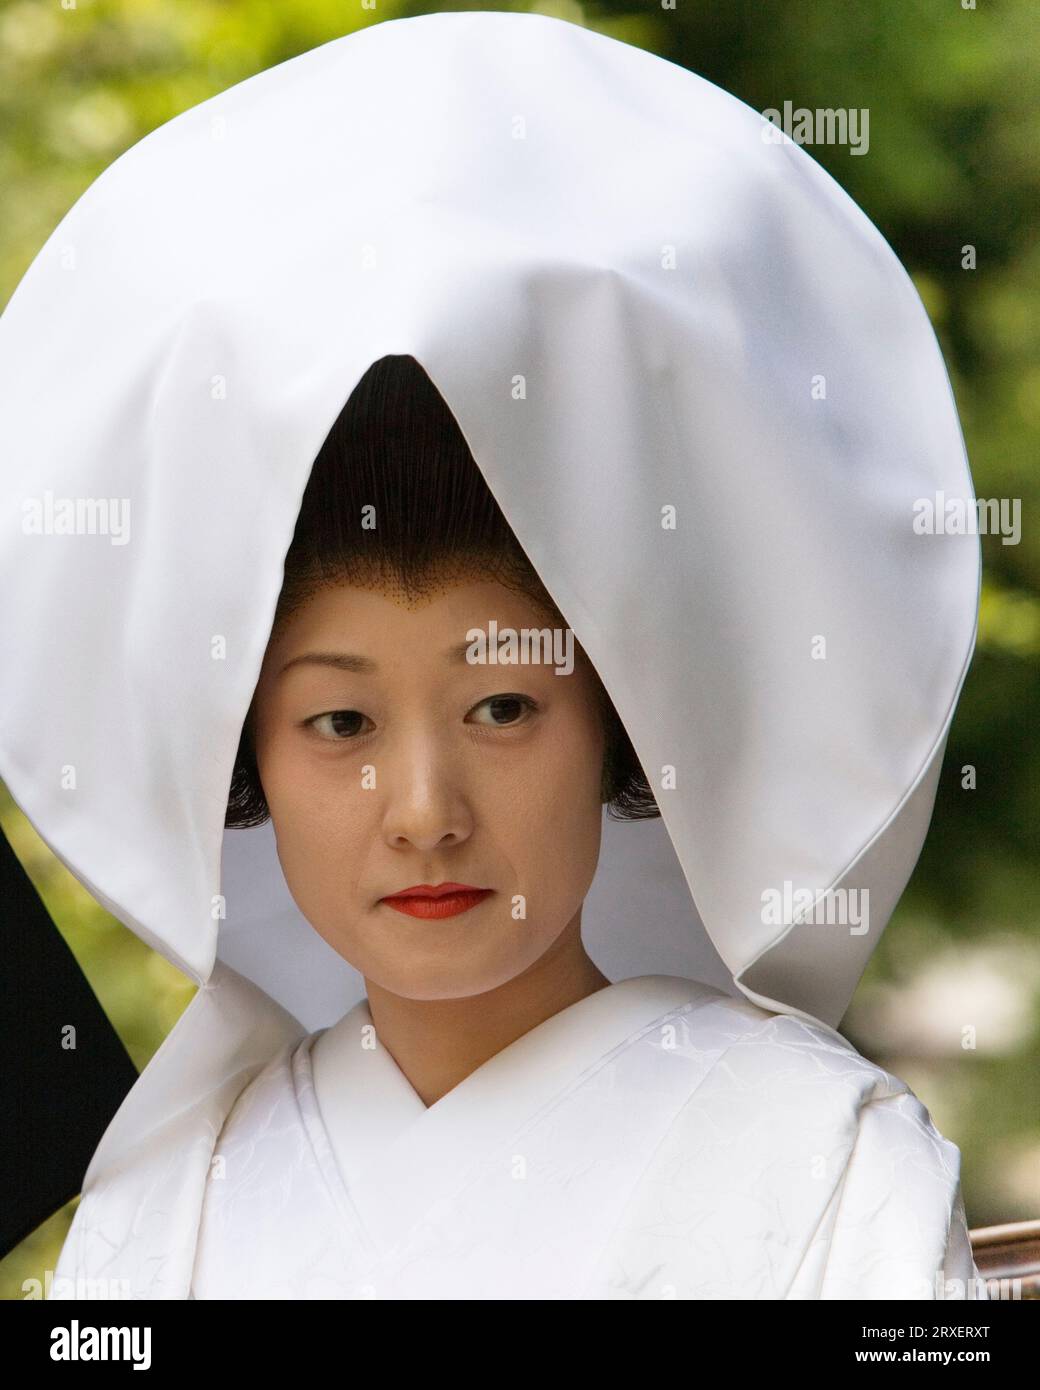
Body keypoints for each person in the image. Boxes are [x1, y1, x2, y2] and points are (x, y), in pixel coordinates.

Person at [0, 12, 986, 1299]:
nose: (423, 814)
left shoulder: (826, 1157)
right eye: (338, 724)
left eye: (503, 704)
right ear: (241, 753)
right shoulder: (173, 1197)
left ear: (621, 727)